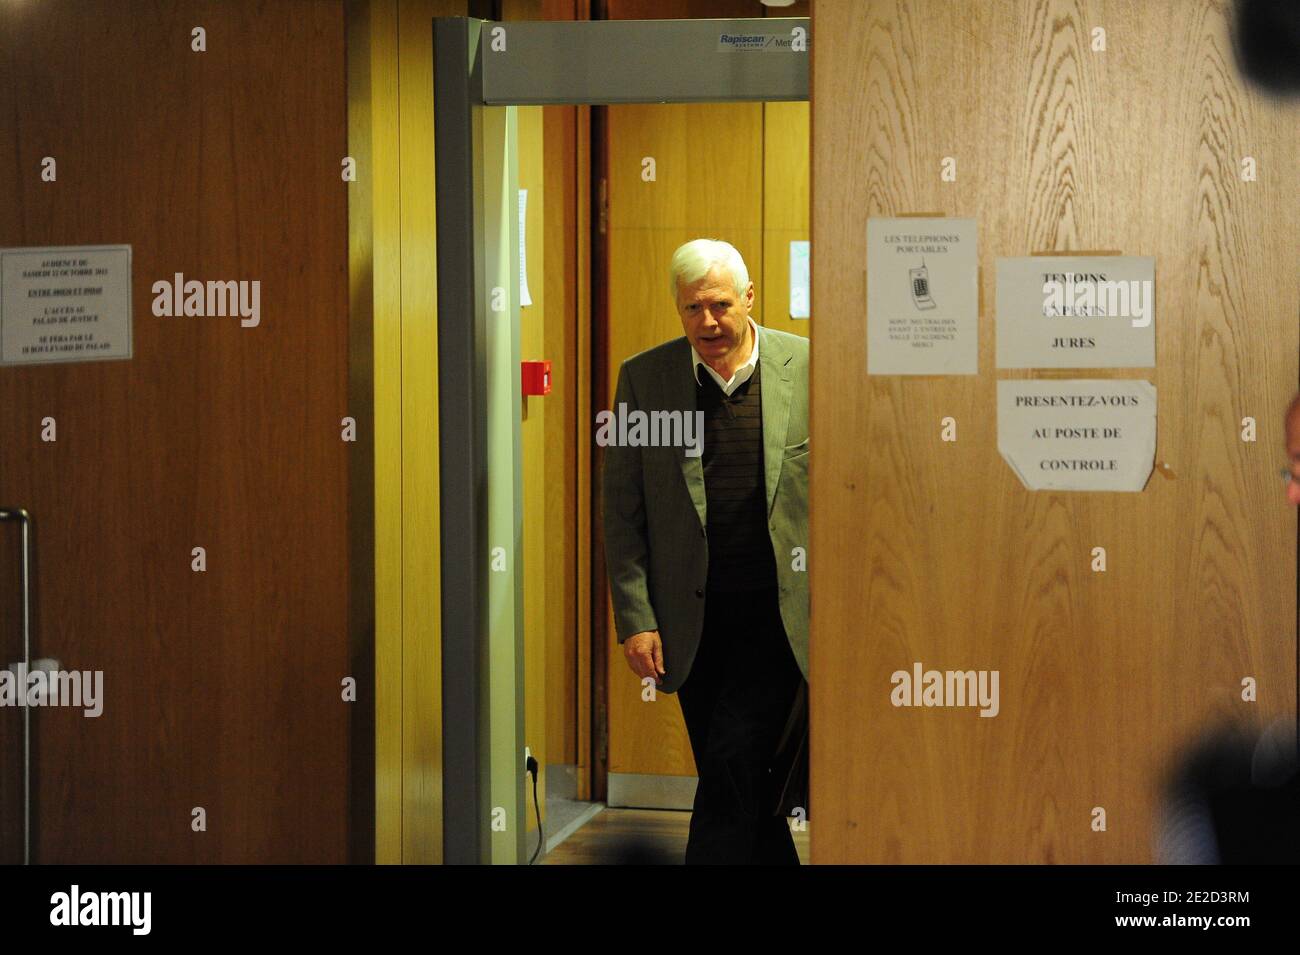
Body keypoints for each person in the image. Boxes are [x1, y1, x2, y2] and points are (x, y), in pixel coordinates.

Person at [602, 238, 810, 864]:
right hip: (692, 623)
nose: (709, 322)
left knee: (730, 767)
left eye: (720, 305)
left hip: (783, 619)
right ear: (678, 310)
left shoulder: (806, 367)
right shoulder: (646, 379)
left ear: (749, 299)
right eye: (693, 309)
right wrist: (636, 619)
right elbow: (623, 510)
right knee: (742, 783)